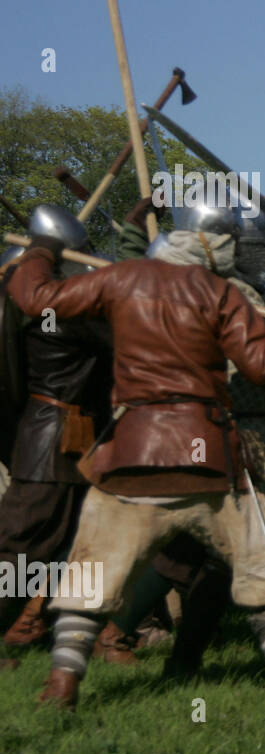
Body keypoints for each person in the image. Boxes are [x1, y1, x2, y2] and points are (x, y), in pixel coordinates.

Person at [5, 211, 265, 711]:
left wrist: (40, 250)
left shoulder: (118, 278)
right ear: (210, 244)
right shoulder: (220, 293)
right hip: (209, 459)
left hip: (132, 458)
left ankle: (61, 687)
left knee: (91, 571)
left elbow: (34, 298)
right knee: (262, 566)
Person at [0, 207, 112, 668]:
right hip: (49, 440)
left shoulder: (47, 311)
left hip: (63, 440)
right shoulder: (61, 317)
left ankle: (36, 620)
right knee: (19, 546)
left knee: (60, 543)